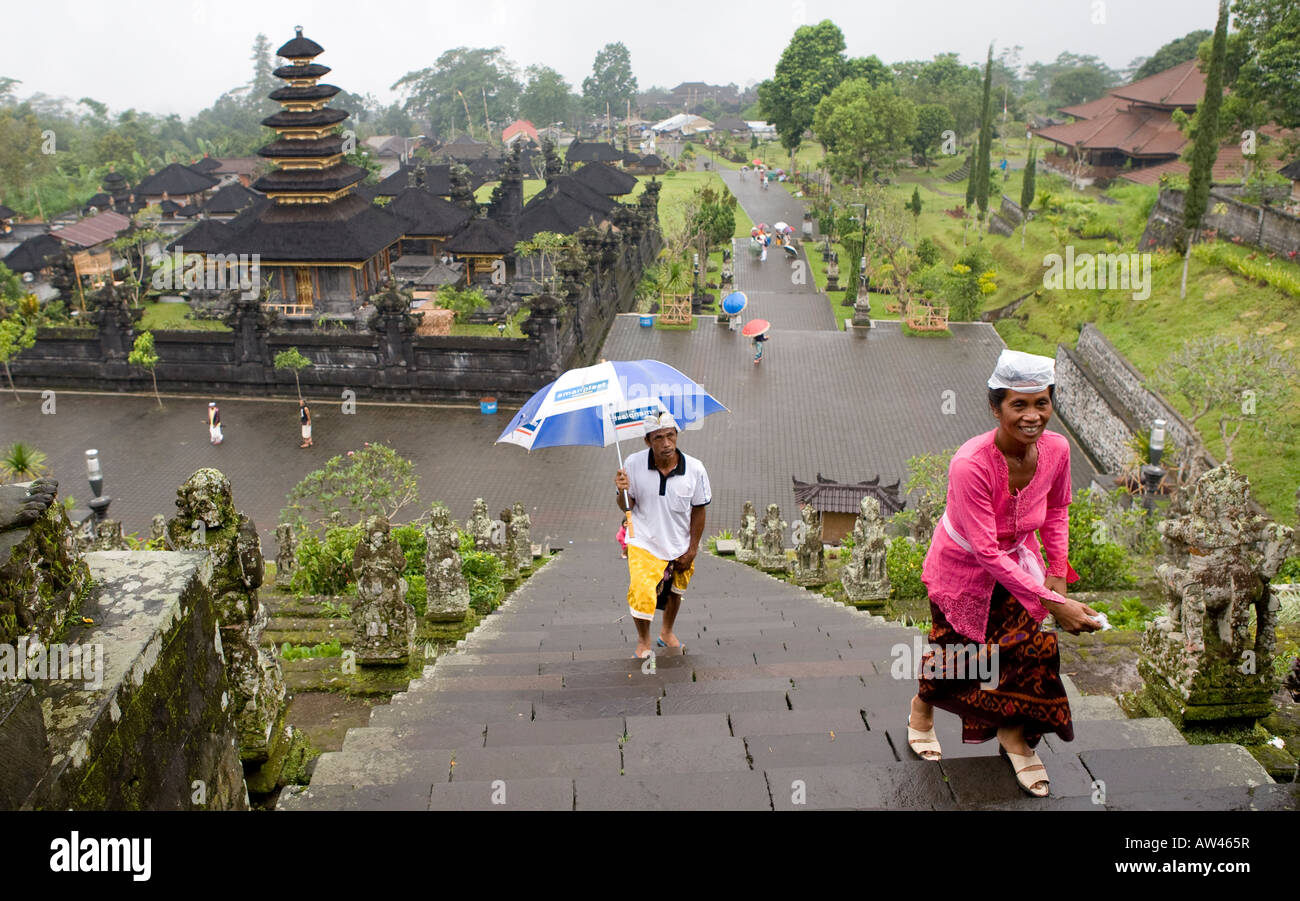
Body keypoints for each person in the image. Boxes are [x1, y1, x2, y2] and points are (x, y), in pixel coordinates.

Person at [906, 349, 1100, 798]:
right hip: (962, 569)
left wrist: (1057, 574)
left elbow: (1056, 510)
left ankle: (1014, 735)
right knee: (957, 655)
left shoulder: (1057, 450)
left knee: (1026, 651)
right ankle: (922, 707)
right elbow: (987, 552)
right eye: (1019, 404)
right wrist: (1056, 605)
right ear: (996, 408)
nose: (1033, 416)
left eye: (1042, 403)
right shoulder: (970, 464)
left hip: (1019, 564)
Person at [614, 411, 711, 659]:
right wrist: (622, 490)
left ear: (677, 436)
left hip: (679, 541)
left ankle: (666, 632)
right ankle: (643, 641)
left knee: (675, 590)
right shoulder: (633, 464)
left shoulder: (695, 469)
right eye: (658, 438)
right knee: (642, 589)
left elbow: (699, 510)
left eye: (670, 436)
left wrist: (692, 549)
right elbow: (627, 506)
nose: (666, 443)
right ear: (648, 441)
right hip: (643, 540)